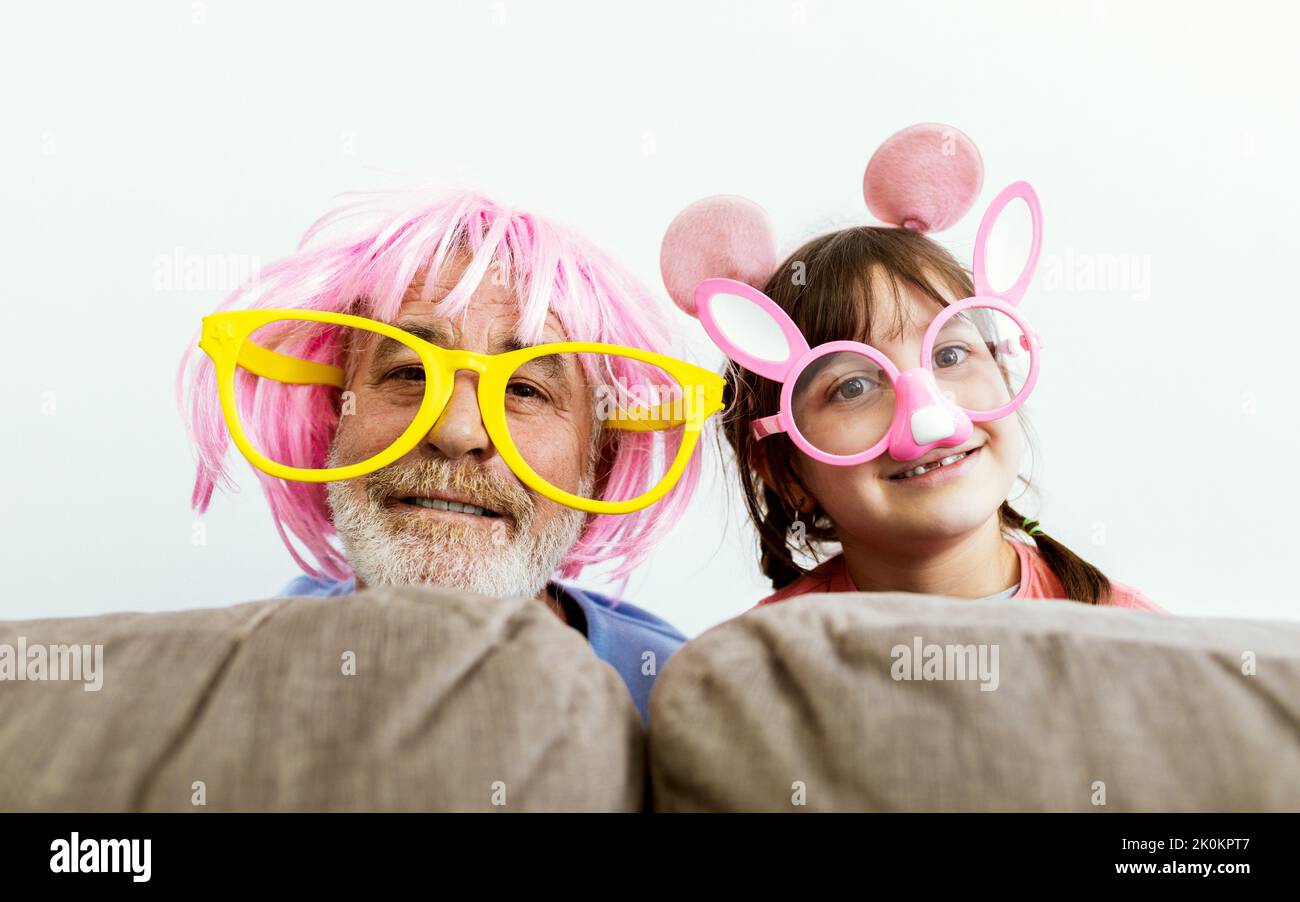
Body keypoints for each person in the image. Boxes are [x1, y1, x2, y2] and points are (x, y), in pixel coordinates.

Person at [178, 187, 725, 722]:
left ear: (598, 461)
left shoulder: (681, 706)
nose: (457, 430)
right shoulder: (225, 690)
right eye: (409, 373)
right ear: (333, 419)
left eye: (524, 391)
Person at [660, 123, 1164, 612]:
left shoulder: (1133, 640)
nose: (929, 417)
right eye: (853, 386)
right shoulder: (760, 665)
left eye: (950, 356)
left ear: (1003, 372)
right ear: (784, 472)